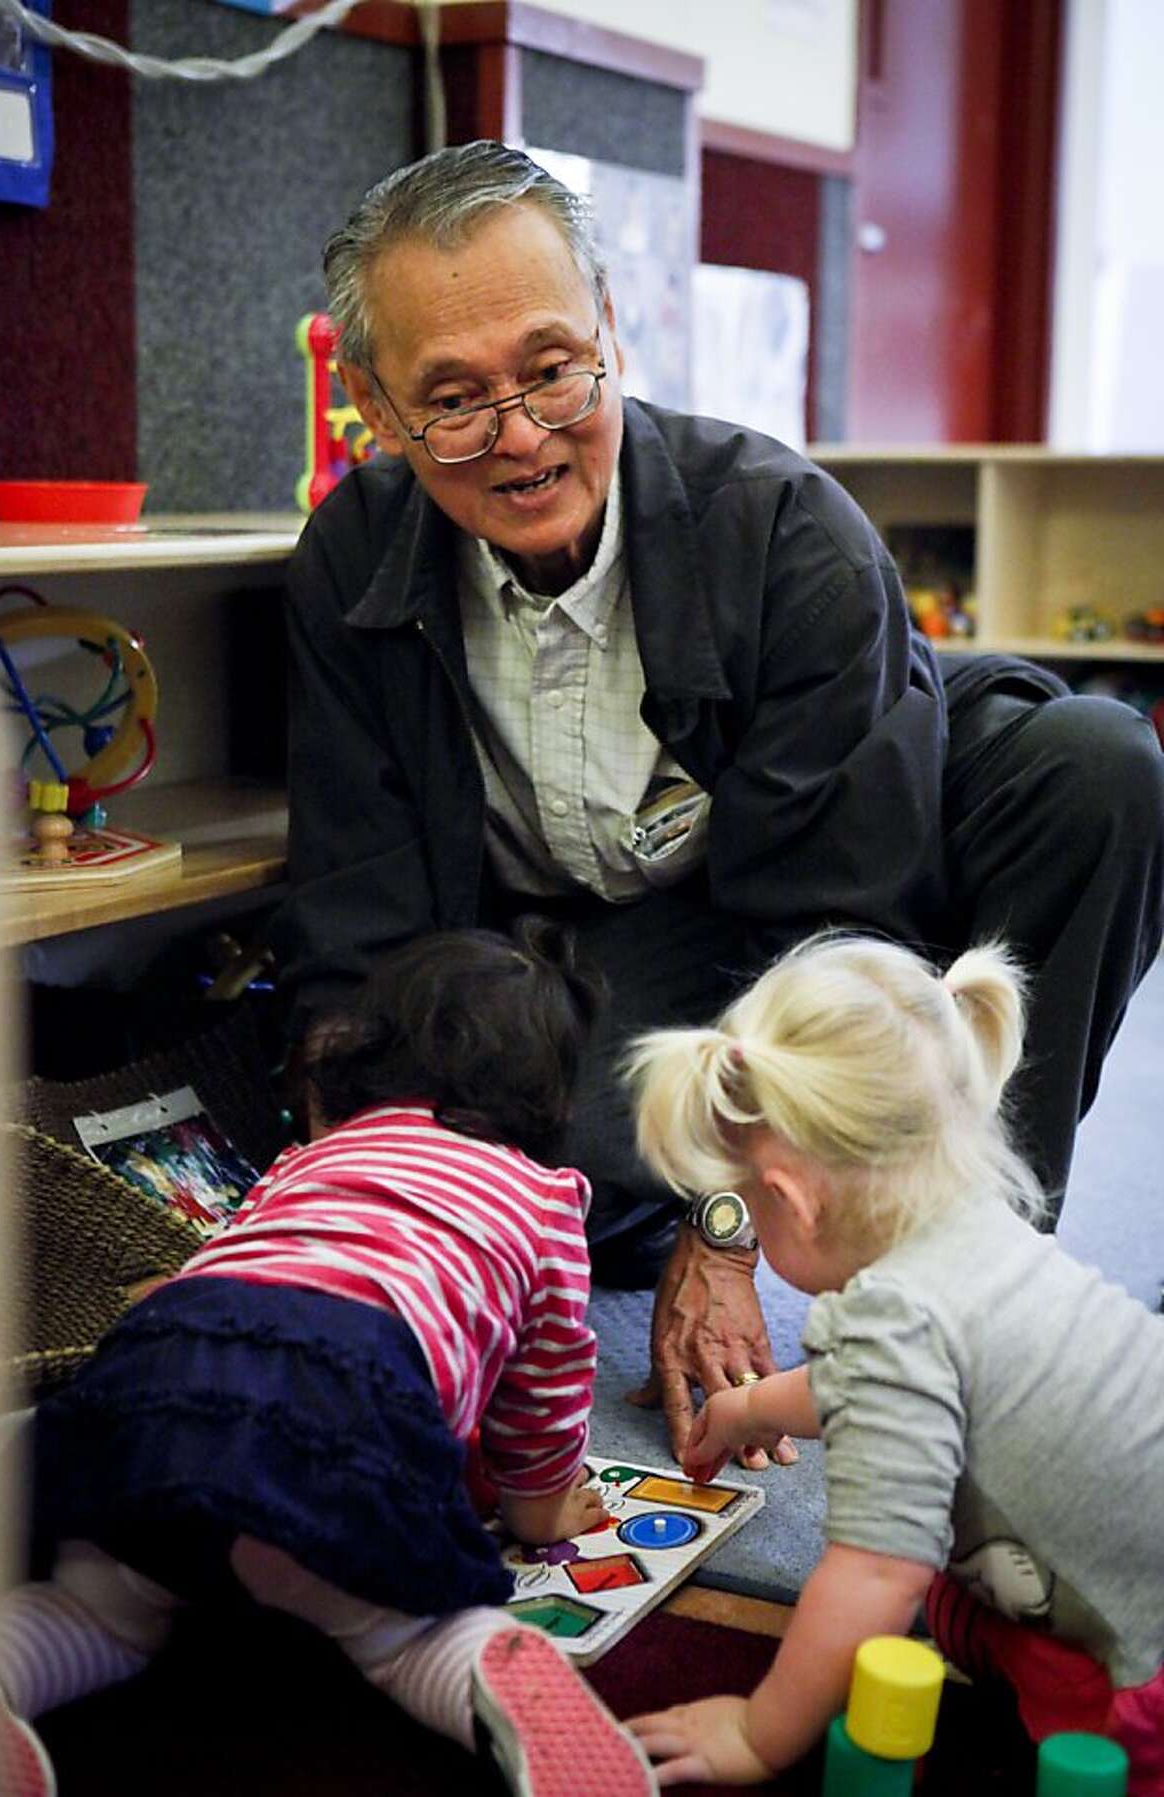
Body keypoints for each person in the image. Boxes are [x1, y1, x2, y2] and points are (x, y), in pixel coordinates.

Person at [268, 137, 1164, 1474]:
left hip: (867, 869)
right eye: (452, 400)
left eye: (552, 368)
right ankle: (654, 1191)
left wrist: (727, 1225)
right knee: (516, 1153)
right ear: (378, 411)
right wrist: (364, 1198)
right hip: (623, 934)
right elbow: (360, 924)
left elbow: (836, 920)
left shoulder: (784, 525)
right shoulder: (349, 562)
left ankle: (971, 1275)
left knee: (1102, 768)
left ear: (609, 330)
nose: (519, 437)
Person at [0, 921, 659, 1797]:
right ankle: (486, 1676)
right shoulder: (543, 1198)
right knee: (403, 1631)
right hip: (341, 1401)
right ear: (554, 1099)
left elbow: (221, 1266)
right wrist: (542, 1505)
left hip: (164, 1374)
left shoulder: (305, 1159)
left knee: (100, 1608)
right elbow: (548, 1382)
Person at [621, 931, 1164, 1791]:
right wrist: (748, 1407)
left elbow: (877, 1569)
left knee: (925, 1595)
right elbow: (896, 1384)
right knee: (957, 1596)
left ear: (791, 1201)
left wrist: (759, 1734)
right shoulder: (977, 1230)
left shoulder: (891, 1319)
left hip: (1145, 1664)